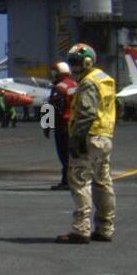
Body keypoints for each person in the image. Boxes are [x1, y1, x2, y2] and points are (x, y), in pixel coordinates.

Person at [58, 43, 117, 244]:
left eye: (75, 63)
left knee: (79, 180)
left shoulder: (86, 83)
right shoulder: (105, 80)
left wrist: (74, 138)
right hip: (104, 135)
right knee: (103, 182)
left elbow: (86, 112)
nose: (72, 68)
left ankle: (81, 229)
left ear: (86, 62)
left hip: (87, 135)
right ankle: (105, 228)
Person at [45, 61, 76, 190]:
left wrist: (46, 125)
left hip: (63, 125)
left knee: (64, 155)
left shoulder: (59, 88)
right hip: (75, 124)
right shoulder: (75, 84)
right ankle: (72, 180)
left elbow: (55, 108)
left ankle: (67, 182)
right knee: (74, 154)